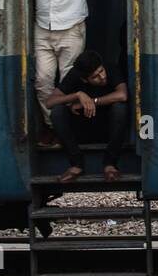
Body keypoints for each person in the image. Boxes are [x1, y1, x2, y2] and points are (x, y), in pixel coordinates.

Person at [17, 0, 143, 149]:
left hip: (72, 27)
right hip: (42, 26)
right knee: (42, 81)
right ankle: (53, 128)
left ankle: (68, 134)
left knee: (67, 82)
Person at [44, 50, 130, 183]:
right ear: (84, 79)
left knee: (120, 108)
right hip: (84, 129)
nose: (102, 77)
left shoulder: (111, 68)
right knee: (57, 112)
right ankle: (76, 164)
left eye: (101, 71)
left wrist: (91, 101)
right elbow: (50, 102)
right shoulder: (75, 76)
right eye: (95, 76)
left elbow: (122, 95)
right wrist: (77, 95)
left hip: (109, 129)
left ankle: (110, 164)